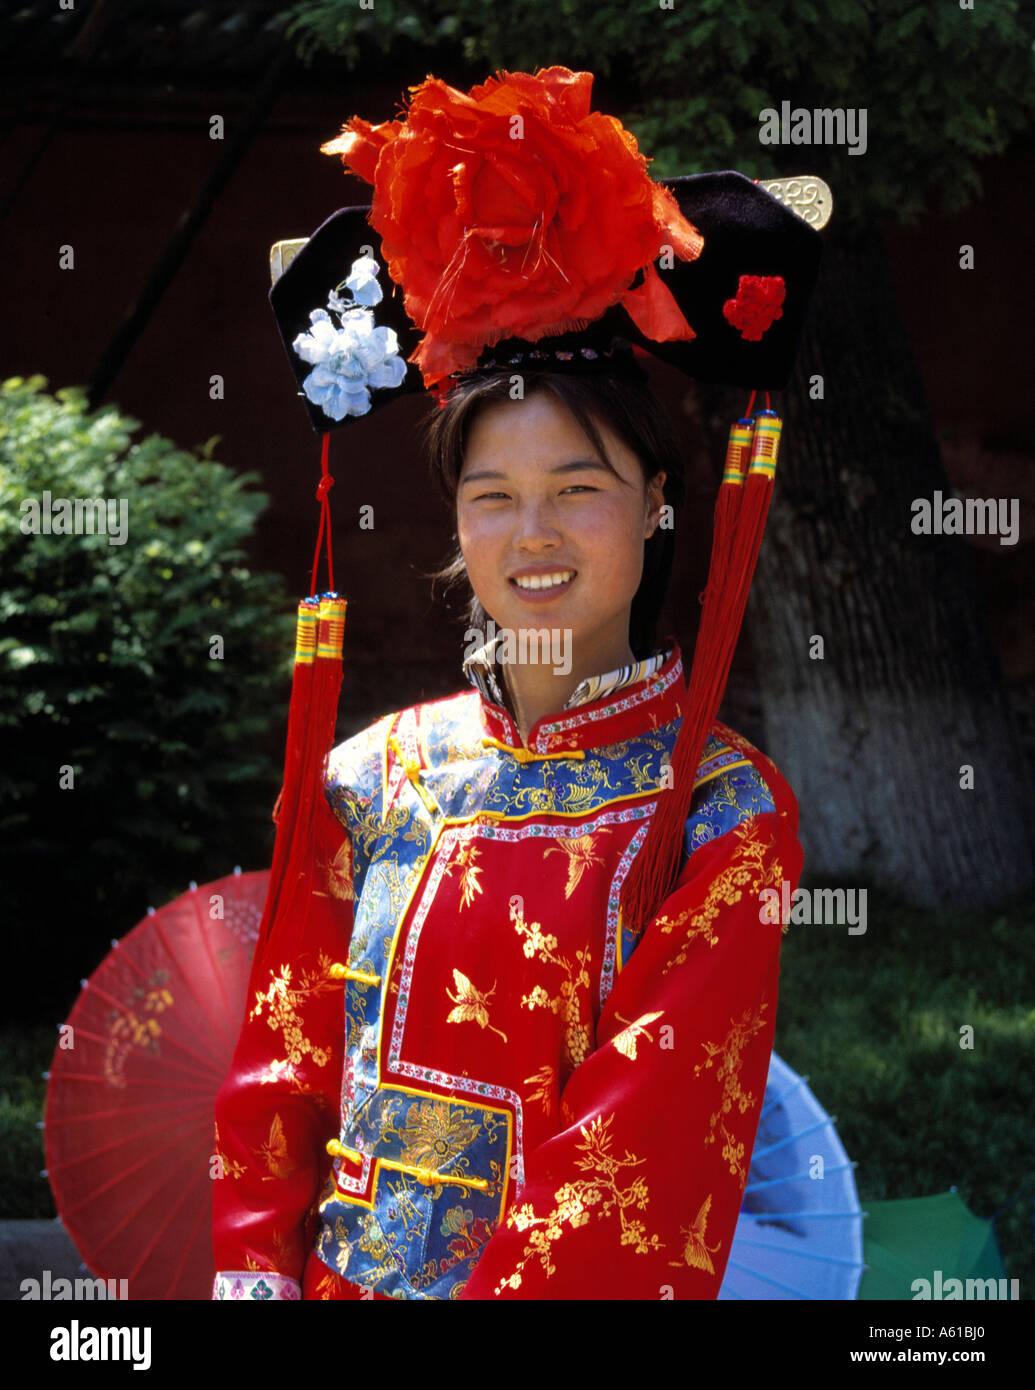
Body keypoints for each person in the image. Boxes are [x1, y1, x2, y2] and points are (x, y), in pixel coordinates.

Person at [211, 65, 822, 1300]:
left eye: (577, 490)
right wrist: (253, 1275)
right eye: (493, 498)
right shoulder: (370, 777)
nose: (531, 535)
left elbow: (630, 1176)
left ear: (657, 504)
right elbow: (283, 1066)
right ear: (455, 524)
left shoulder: (718, 814)